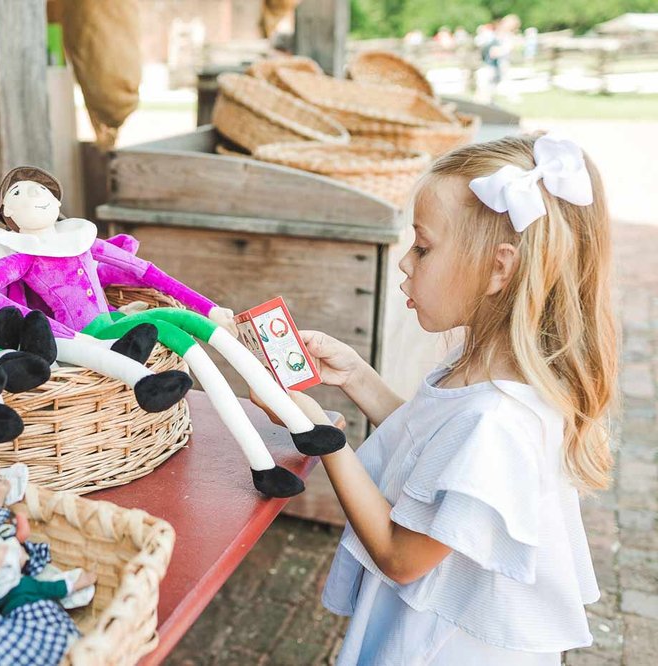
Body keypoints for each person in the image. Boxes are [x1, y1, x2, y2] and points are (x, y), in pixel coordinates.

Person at [256, 133, 615, 664]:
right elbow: (433, 446)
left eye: (423, 247)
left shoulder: (498, 422)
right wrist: (356, 377)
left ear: (500, 267)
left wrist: (318, 433)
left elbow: (400, 556)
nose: (405, 262)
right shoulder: (485, 368)